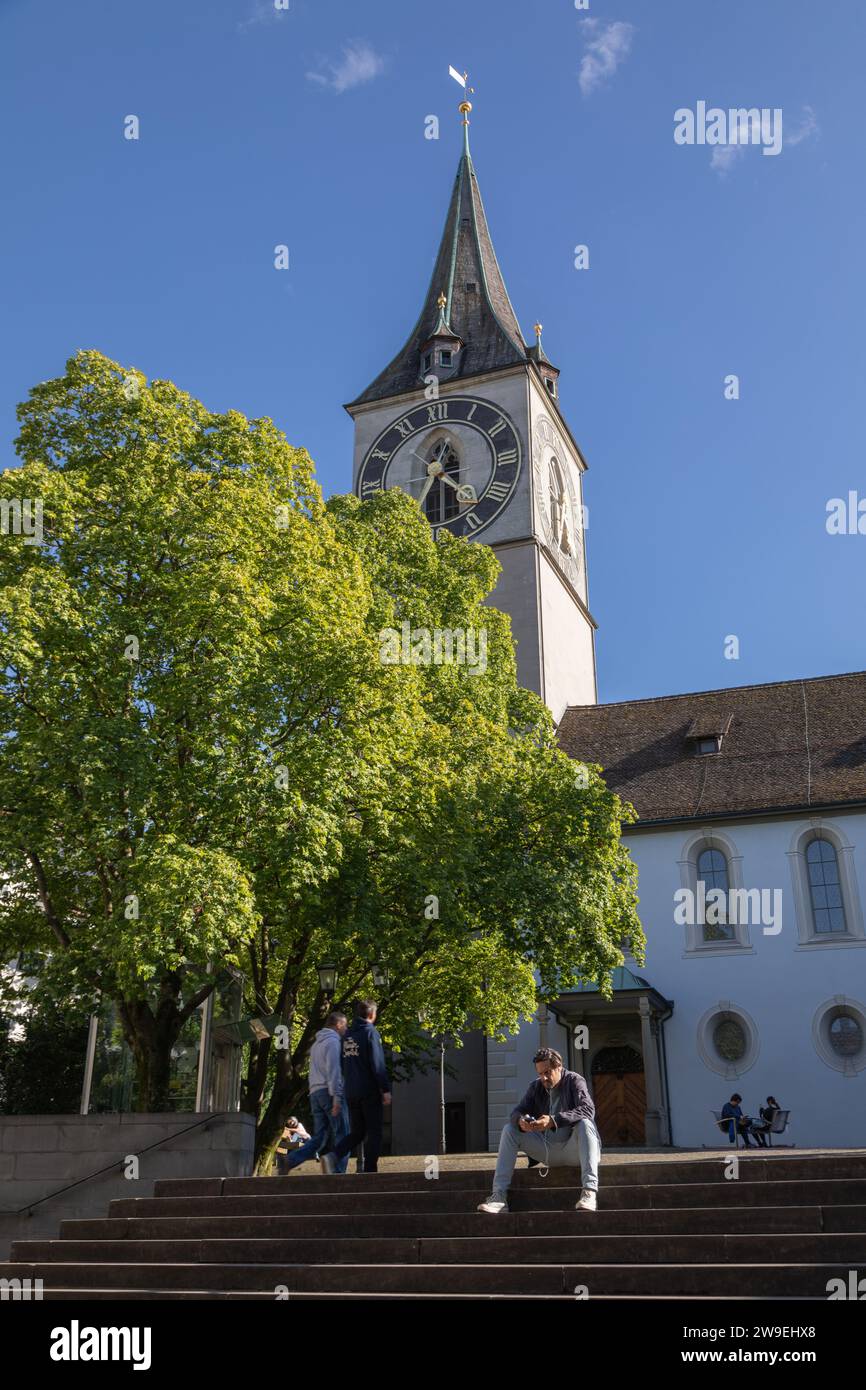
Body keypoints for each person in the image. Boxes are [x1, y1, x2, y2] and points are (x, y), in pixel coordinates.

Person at [478, 1047, 602, 1214]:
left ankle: (589, 1193)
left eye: (547, 1072)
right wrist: (521, 1121)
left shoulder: (575, 1080)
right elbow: (516, 1112)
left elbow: (588, 1110)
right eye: (540, 1074)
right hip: (547, 1150)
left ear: (559, 1067)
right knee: (510, 1130)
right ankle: (498, 1197)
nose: (543, 1078)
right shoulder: (535, 1087)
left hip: (575, 1150)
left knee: (585, 1124)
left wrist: (553, 1120)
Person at [279, 1011, 350, 1175]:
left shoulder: (317, 1044)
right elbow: (333, 1070)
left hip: (315, 1093)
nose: (346, 1029)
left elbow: (314, 1071)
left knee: (320, 1137)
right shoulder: (332, 1042)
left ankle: (290, 1160)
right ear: (338, 1024)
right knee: (343, 1134)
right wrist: (337, 1097)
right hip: (329, 1092)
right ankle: (338, 1171)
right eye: (345, 1025)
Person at [330, 999, 391, 1174]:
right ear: (372, 1014)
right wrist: (385, 1089)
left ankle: (334, 1155)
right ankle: (370, 1170)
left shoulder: (347, 1036)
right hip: (369, 1090)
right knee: (374, 1132)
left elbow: (342, 1063)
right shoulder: (370, 1033)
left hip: (351, 1091)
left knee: (358, 1132)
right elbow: (377, 1063)